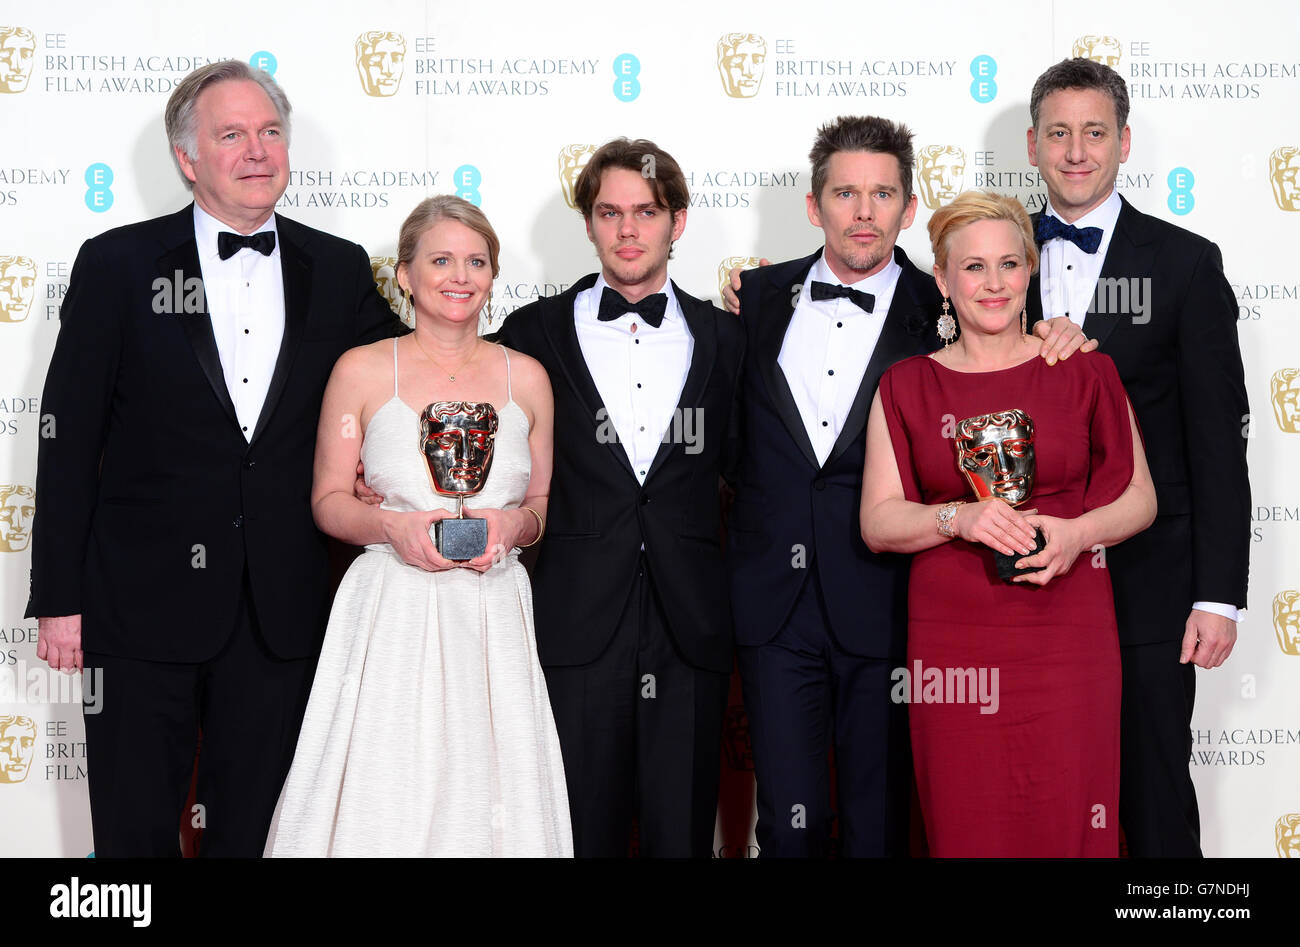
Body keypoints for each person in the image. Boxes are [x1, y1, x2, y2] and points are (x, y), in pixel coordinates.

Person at [25, 60, 405, 856]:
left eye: (270, 132)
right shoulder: (118, 264)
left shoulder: (336, 269)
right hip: (136, 609)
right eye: (232, 134)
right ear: (188, 157)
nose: (257, 150)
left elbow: (409, 378)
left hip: (284, 606)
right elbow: (67, 437)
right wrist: (58, 597)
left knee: (264, 835)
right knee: (131, 838)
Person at [723, 116, 1090, 857]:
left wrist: (1067, 335)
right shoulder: (754, 298)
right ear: (812, 204)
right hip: (773, 606)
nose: (864, 211)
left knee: (881, 826)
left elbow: (1013, 367)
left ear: (909, 208)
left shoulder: (950, 305)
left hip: (892, 600)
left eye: (883, 193)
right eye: (846, 192)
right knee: (786, 827)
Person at [266, 196, 570, 857]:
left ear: (493, 274)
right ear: (404, 275)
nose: (459, 276)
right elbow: (326, 500)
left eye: (475, 261)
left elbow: (542, 500)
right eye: (440, 260)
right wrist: (390, 528)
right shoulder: (361, 369)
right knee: (387, 790)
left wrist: (515, 524)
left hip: (494, 610)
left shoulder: (530, 377)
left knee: (493, 791)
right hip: (390, 610)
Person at [860, 190, 1156, 856]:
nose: (993, 283)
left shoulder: (1086, 370)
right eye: (973, 267)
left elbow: (1141, 497)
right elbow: (879, 520)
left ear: (1030, 271)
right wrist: (957, 517)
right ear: (942, 279)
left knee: (1070, 814)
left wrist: (1078, 533)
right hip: (954, 645)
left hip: (1069, 636)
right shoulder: (904, 385)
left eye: (1009, 264)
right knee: (968, 821)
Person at [492, 138, 744, 857]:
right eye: (610, 212)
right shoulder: (529, 335)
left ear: (678, 221)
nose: (628, 229)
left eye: (647, 211)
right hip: (574, 619)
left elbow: (754, 473)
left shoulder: (728, 339)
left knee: (682, 834)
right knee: (575, 831)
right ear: (589, 223)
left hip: (690, 621)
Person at [1024, 58, 1250, 856]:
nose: (1076, 151)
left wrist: (1218, 595)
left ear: (1123, 143)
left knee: (1152, 795)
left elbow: (1218, 440)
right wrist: (763, 293)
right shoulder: (990, 261)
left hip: (1151, 586)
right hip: (1022, 585)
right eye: (1059, 133)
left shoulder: (1186, 264)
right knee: (1040, 791)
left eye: (1093, 133)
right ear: (1032, 144)